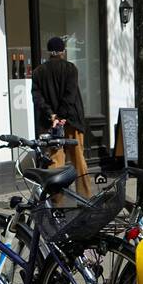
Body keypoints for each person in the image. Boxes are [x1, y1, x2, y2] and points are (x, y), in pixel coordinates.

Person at [31, 36, 92, 197]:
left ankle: (55, 202)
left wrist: (52, 115)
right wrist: (62, 116)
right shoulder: (71, 69)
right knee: (79, 160)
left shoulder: (38, 72)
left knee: (55, 163)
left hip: (51, 124)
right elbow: (70, 95)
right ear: (63, 51)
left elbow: (37, 98)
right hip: (71, 121)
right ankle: (85, 198)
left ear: (49, 52)